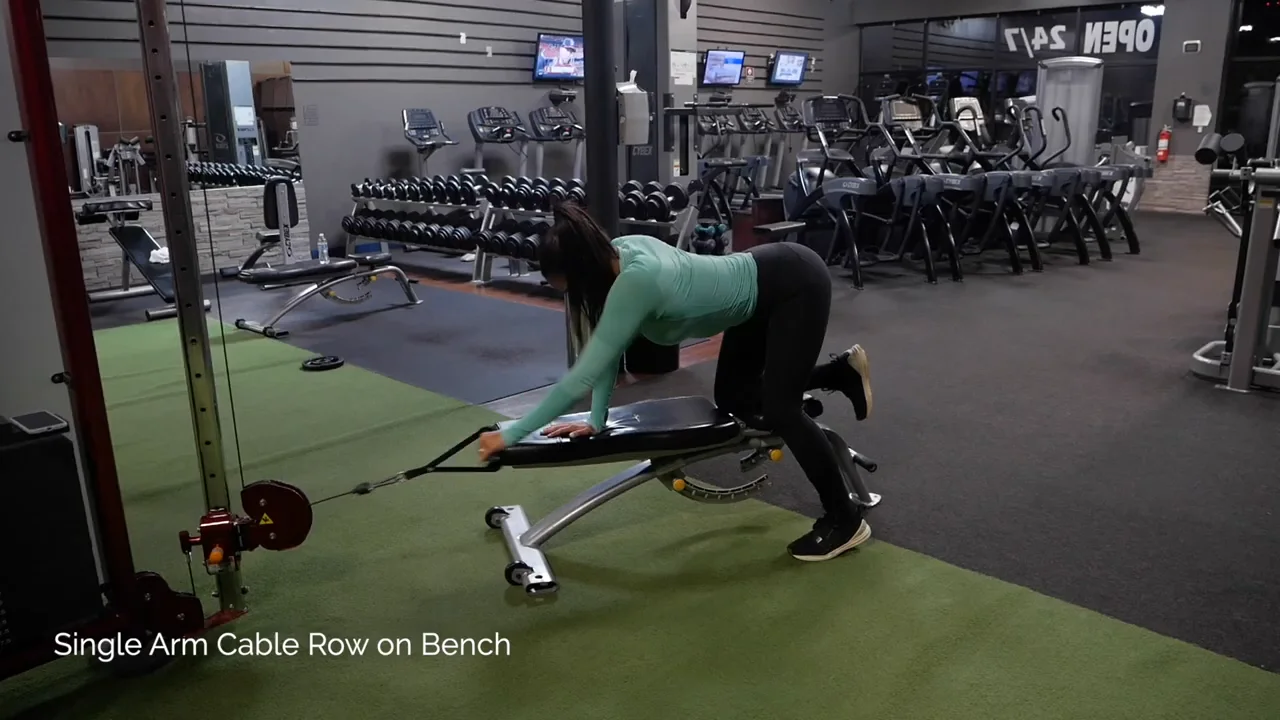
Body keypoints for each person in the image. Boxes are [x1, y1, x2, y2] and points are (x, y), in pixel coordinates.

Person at [477, 204, 874, 562]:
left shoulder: (637, 280)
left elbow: (582, 373)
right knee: (736, 398)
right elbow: (606, 351)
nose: (559, 293)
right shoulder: (614, 256)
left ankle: (845, 518)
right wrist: (596, 419)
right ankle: (838, 374)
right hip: (755, 296)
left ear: (579, 271)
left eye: (559, 284)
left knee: (782, 410)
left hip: (794, 282)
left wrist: (513, 434)